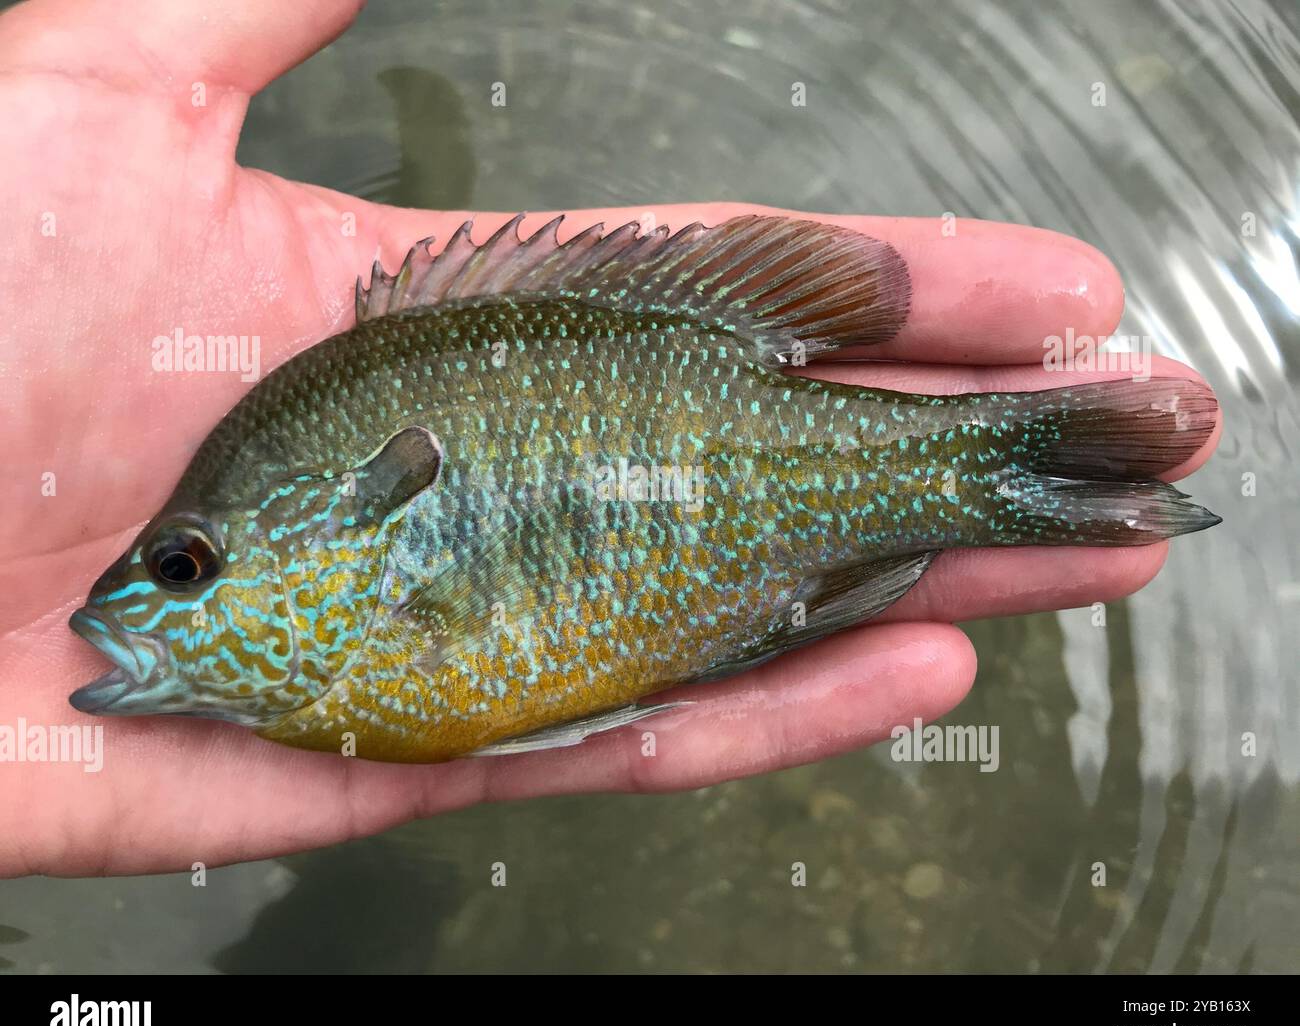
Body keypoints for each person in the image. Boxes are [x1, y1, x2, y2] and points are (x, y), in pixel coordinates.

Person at [0, 0, 1219, 877]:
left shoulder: (349, 656)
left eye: (185, 565)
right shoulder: (321, 679)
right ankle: (1033, 470)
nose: (139, 610)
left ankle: (1017, 464)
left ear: (342, 513)